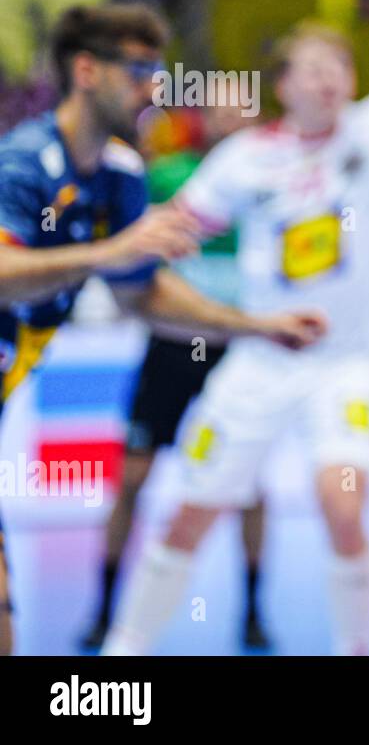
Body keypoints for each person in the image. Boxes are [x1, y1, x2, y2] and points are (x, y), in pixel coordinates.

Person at [103, 24, 369, 656]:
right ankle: (125, 650)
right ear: (283, 86)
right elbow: (176, 227)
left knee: (342, 507)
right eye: (312, 67)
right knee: (191, 512)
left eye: (338, 63)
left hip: (345, 365)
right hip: (259, 360)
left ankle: (354, 647)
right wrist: (100, 247)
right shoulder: (248, 157)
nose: (329, 76)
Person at [0, 3, 325, 656]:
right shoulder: (27, 162)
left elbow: (143, 292)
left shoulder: (120, 174)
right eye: (139, 68)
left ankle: (252, 613)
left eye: (158, 69)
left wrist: (255, 325)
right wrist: (102, 255)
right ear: (86, 70)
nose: (154, 86)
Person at [79, 81, 272, 652]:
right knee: (133, 476)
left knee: (250, 484)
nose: (230, 116)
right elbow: (134, 235)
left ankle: (254, 614)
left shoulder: (270, 176)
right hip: (172, 342)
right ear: (204, 115)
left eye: (243, 106)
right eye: (220, 105)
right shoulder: (169, 176)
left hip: (240, 345)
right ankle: (104, 611)